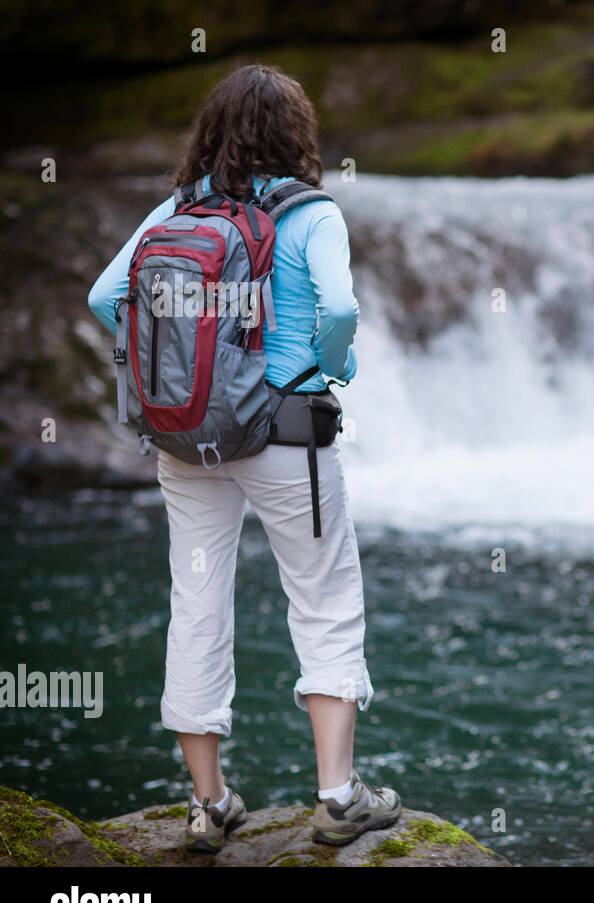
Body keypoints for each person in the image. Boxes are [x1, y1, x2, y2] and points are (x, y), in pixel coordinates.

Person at [87, 64, 400, 852]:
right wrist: (338, 365)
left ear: (211, 131)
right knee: (324, 599)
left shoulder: (178, 208)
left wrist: (170, 377)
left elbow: (102, 297)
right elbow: (339, 307)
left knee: (195, 604)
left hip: (188, 437)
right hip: (287, 432)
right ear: (298, 133)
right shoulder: (312, 213)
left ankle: (209, 803)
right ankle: (337, 796)